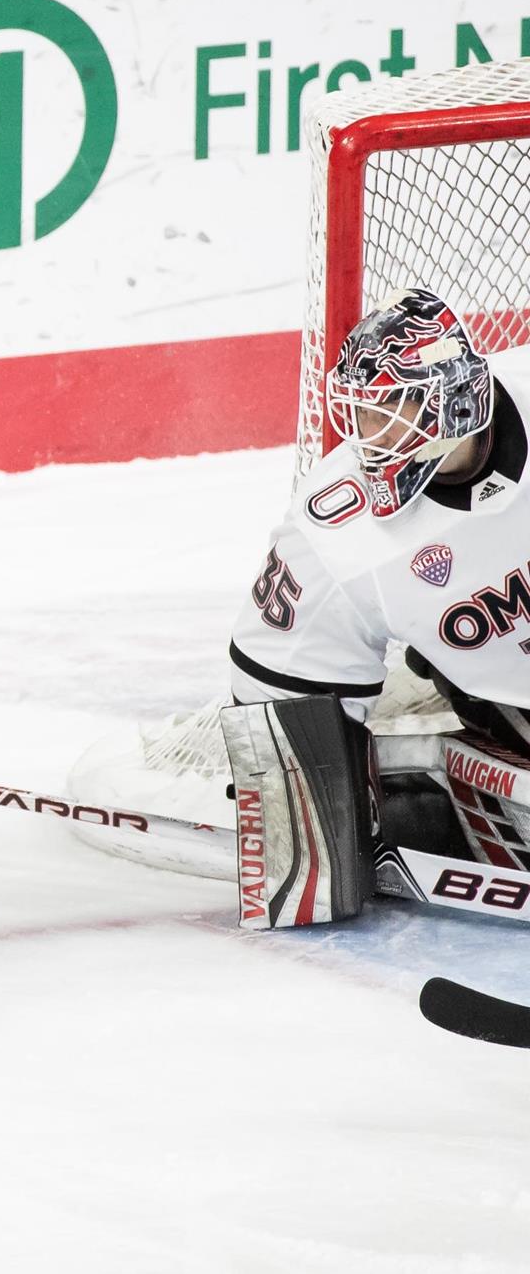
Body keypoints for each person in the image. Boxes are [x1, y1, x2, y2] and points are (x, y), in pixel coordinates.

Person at [223, 288, 530, 928]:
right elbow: (289, 683)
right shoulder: (337, 533)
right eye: (364, 412)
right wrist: (308, 833)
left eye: (397, 408)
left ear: (458, 401)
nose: (372, 436)